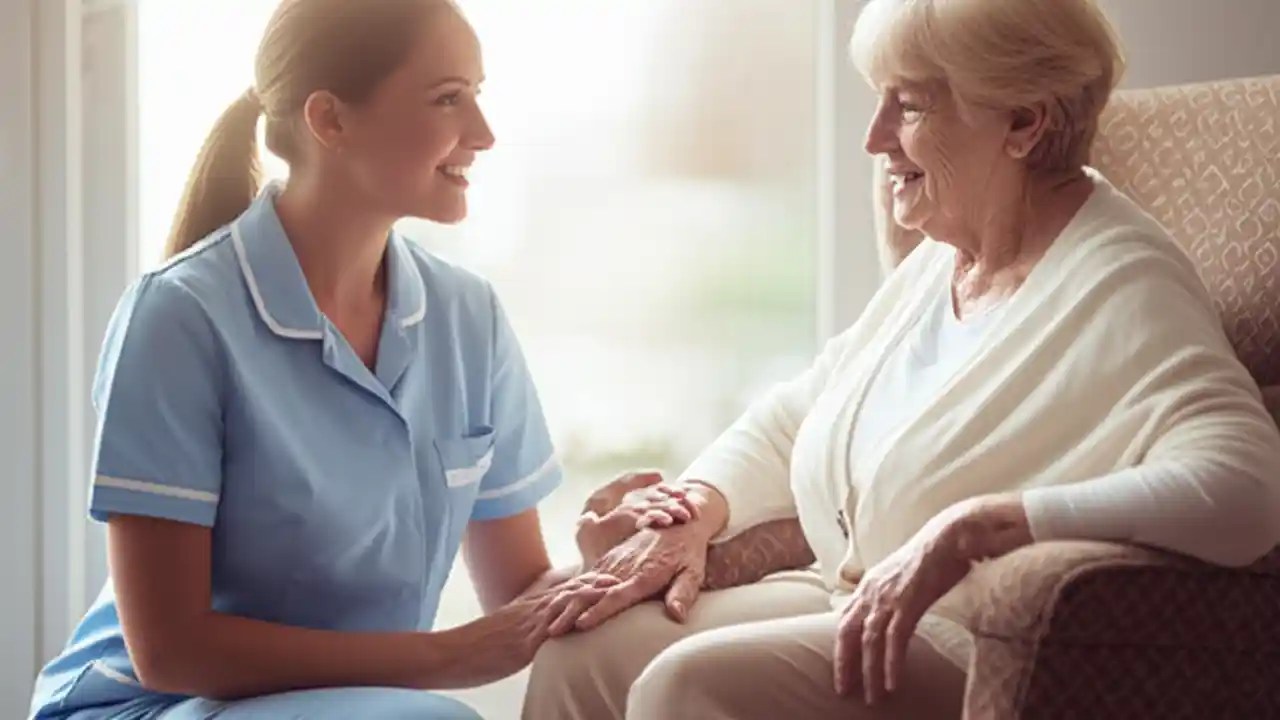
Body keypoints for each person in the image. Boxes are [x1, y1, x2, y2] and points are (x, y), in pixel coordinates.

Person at [524, 0, 1280, 718]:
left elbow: (1248, 488)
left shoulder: (1123, 282)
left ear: (1023, 121)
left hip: (966, 639)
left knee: (686, 687)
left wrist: (985, 527)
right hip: (847, 599)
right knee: (586, 650)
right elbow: (799, 416)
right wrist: (692, 512)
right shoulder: (949, 260)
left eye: (910, 106)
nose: (874, 137)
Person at [26, 1, 693, 717]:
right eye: (448, 99)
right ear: (330, 120)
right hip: (148, 705)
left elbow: (517, 593)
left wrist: (606, 561)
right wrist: (447, 655)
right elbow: (170, 651)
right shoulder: (180, 316)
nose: (484, 133)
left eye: (478, 95)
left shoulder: (468, 316)